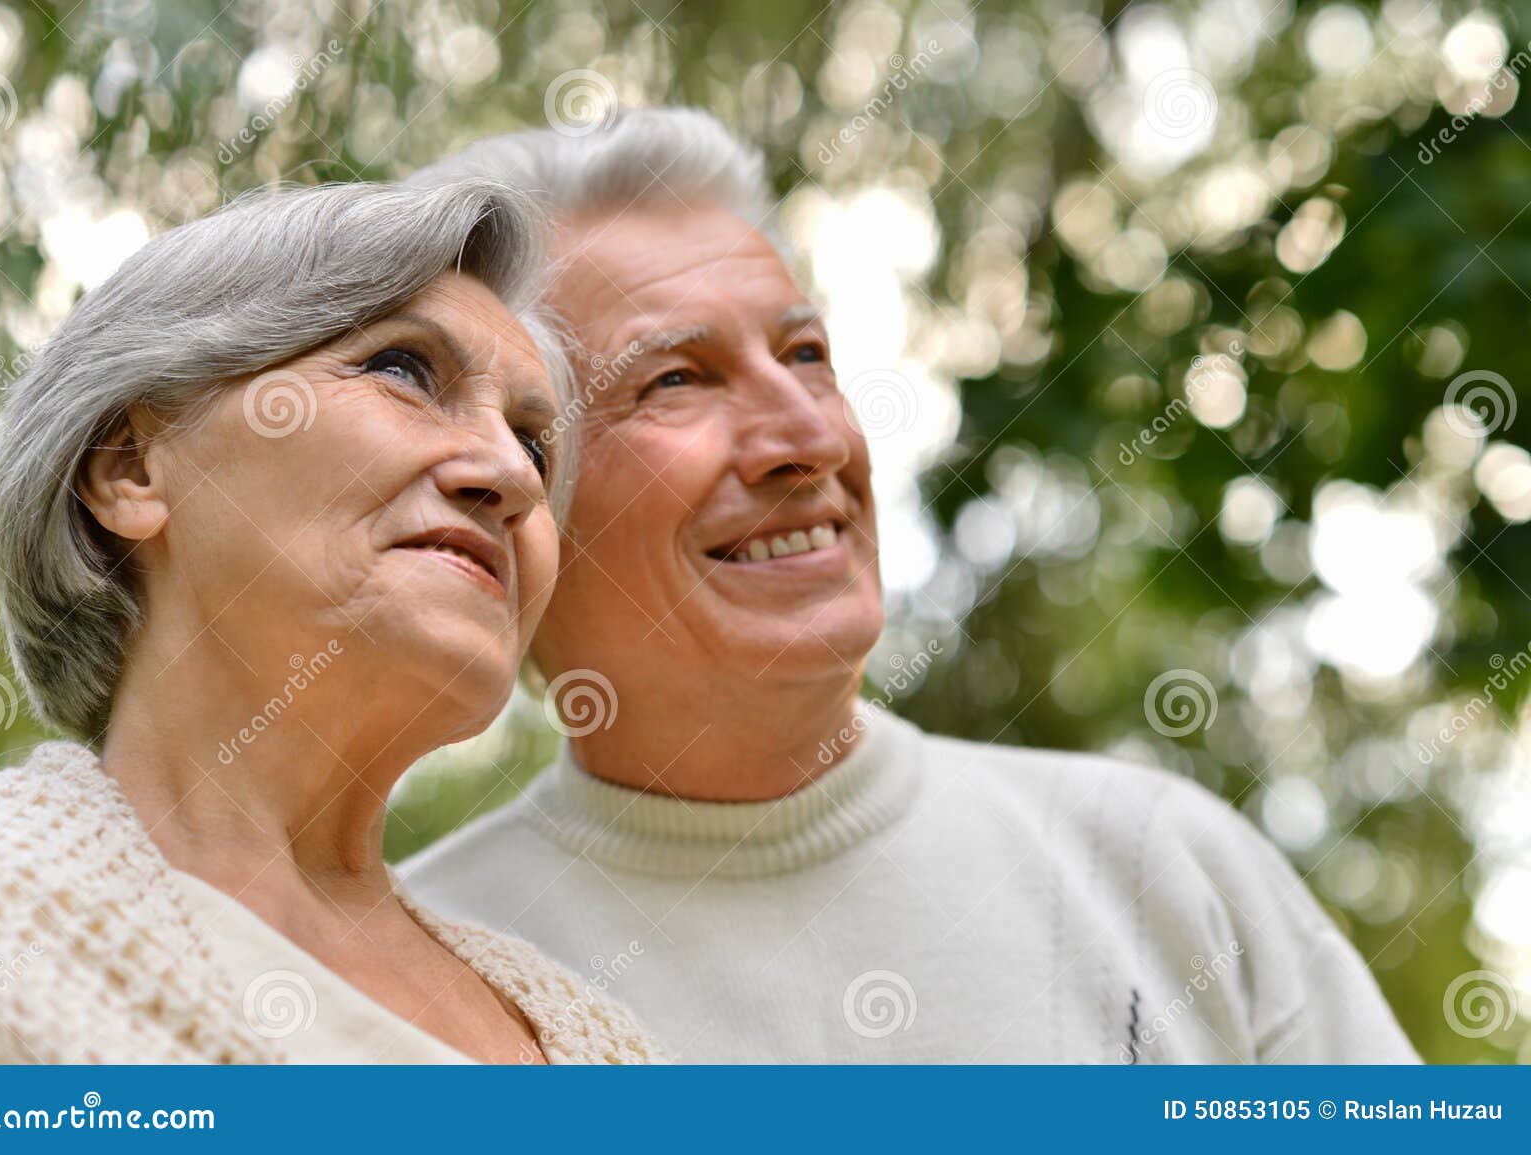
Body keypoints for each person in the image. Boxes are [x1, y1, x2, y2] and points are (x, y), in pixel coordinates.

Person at [400, 108, 1419, 1063]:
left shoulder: (1161, 865)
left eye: (806, 355)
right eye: (675, 379)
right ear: (512, 494)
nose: (809, 437)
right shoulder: (400, 981)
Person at [0, 179, 662, 1065]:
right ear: (130, 469)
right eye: (401, 369)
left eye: (535, 442)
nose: (512, 475)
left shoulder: (612, 1051)